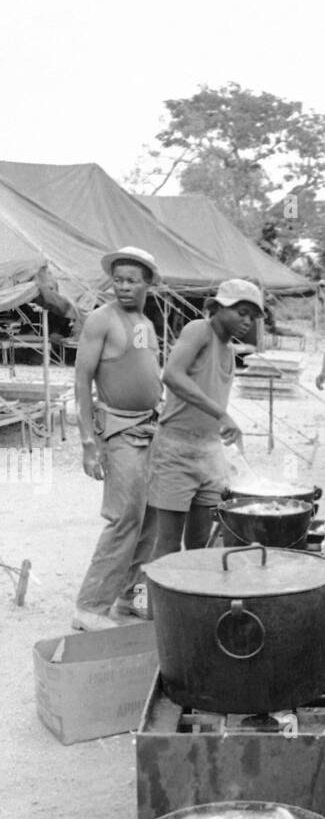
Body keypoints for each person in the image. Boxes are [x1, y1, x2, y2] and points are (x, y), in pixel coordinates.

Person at [71, 246, 164, 631]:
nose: (123, 287)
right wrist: (88, 442)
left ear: (147, 284)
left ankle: (129, 594)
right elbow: (81, 380)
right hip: (118, 431)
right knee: (124, 517)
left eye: (132, 280)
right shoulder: (100, 320)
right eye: (118, 280)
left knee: (151, 516)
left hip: (150, 427)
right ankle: (89, 607)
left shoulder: (146, 322)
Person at [147, 280, 264, 559]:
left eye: (252, 316)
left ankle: (192, 601)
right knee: (168, 545)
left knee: (202, 543)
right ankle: (152, 602)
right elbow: (173, 375)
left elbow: (213, 399)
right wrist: (222, 414)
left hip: (210, 453)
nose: (246, 321)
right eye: (240, 312)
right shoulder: (199, 330)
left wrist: (233, 448)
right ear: (218, 308)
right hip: (176, 450)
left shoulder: (229, 352)